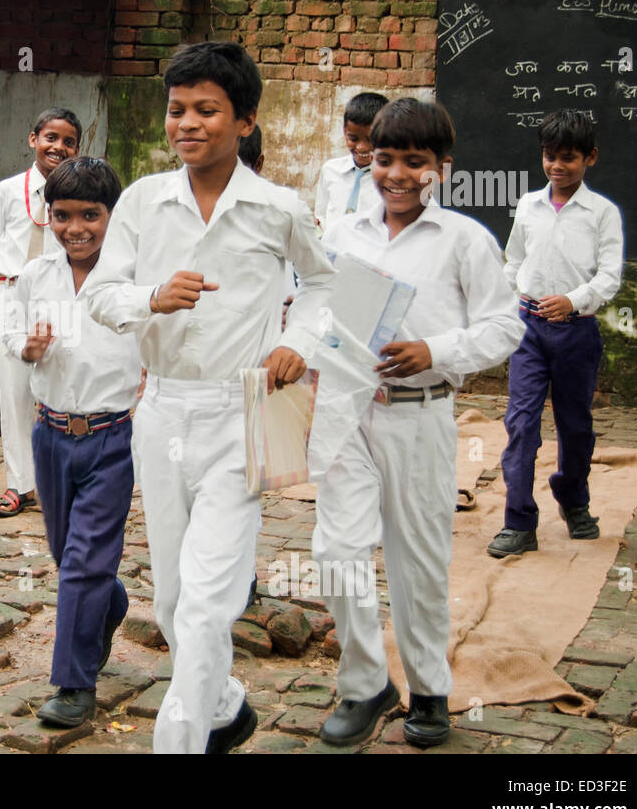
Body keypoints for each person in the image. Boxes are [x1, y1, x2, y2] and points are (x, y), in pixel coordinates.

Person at [87, 41, 335, 754]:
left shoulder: (277, 208)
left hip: (248, 411)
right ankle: (224, 703)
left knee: (206, 604)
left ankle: (182, 740)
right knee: (171, 602)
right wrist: (152, 298)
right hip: (161, 411)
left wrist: (302, 344)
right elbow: (101, 295)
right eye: (177, 110)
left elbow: (325, 284)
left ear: (247, 119)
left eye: (207, 110)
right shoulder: (142, 202)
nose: (187, 124)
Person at [314, 98, 523, 748]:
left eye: (415, 161)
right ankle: (364, 683)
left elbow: (505, 325)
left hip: (422, 418)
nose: (397, 174)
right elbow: (320, 310)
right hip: (349, 413)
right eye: (384, 159)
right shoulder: (344, 233)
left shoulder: (464, 239)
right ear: (367, 160)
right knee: (336, 553)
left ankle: (429, 691)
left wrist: (436, 352)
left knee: (418, 560)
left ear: (442, 168)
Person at [0, 156, 139, 727]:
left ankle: (75, 684)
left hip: (112, 437)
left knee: (82, 561)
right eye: (62, 216)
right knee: (67, 555)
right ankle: (110, 602)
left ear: (113, 215)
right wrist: (26, 348)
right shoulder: (36, 276)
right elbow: (10, 331)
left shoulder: (132, 277)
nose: (75, 228)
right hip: (51, 436)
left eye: (91, 215)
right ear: (47, 216)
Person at [488, 110, 624, 558]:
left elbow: (609, 276)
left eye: (568, 158)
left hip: (576, 333)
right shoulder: (528, 205)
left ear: (591, 158)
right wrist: (508, 305)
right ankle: (519, 521)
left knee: (575, 425)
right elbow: (513, 261)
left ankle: (574, 500)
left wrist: (574, 300)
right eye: (550, 156)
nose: (557, 166)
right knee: (521, 424)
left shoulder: (602, 213)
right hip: (528, 331)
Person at [0, 108, 83, 517]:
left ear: (77, 149)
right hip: (12, 295)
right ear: (33, 139)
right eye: (51, 137)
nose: (58, 147)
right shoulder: (7, 190)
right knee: (15, 394)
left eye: (69, 141)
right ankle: (19, 485)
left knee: (63, 390)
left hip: (59, 297)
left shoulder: (78, 193)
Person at [313, 92, 389, 227]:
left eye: (370, 140)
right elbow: (321, 215)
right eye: (353, 139)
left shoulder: (390, 179)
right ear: (344, 131)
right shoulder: (330, 170)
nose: (361, 148)